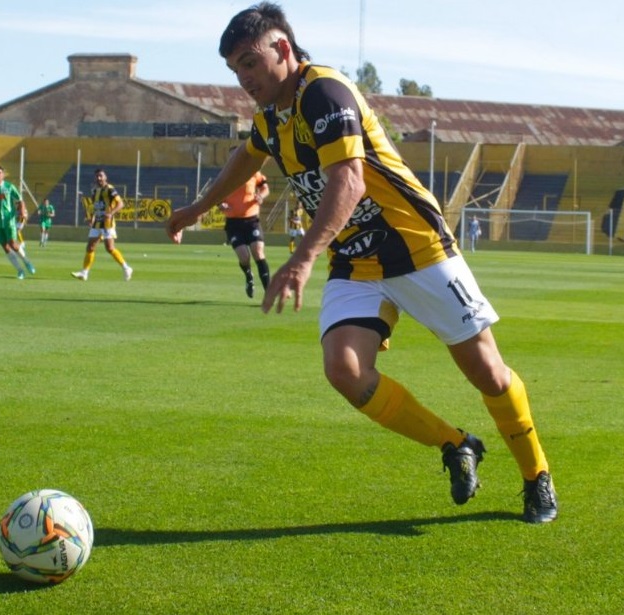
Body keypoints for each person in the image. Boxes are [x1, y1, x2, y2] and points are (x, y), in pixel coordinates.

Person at [167, 1, 557, 523]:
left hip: (417, 247)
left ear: (282, 48)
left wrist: (303, 258)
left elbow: (347, 180)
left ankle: (537, 476)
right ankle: (455, 444)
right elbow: (249, 154)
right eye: (235, 68)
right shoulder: (271, 116)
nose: (244, 78)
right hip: (356, 262)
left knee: (487, 371)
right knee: (345, 370)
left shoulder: (325, 92)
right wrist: (197, 208)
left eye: (249, 62)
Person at [219, 161, 271, 297]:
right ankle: (249, 276)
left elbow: (265, 188)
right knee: (244, 257)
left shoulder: (253, 172)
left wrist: (260, 196)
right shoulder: (225, 176)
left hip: (251, 220)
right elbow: (216, 197)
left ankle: (269, 293)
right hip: (233, 223)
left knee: (258, 252)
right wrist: (221, 204)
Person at [71, 169, 133, 282]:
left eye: (101, 176)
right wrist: (92, 218)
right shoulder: (95, 191)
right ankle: (84, 273)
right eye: (97, 176)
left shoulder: (110, 189)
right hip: (96, 224)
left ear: (105, 177)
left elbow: (121, 204)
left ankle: (126, 268)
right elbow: (96, 207)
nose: (99, 178)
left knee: (109, 248)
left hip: (107, 224)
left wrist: (110, 213)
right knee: (90, 247)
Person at [0, 165, 36, 280]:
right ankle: (20, 271)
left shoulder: (9, 187)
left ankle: (27, 261)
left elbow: (20, 200)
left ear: (3, 175)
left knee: (13, 244)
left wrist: (21, 211)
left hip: (9, 221)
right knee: (5, 247)